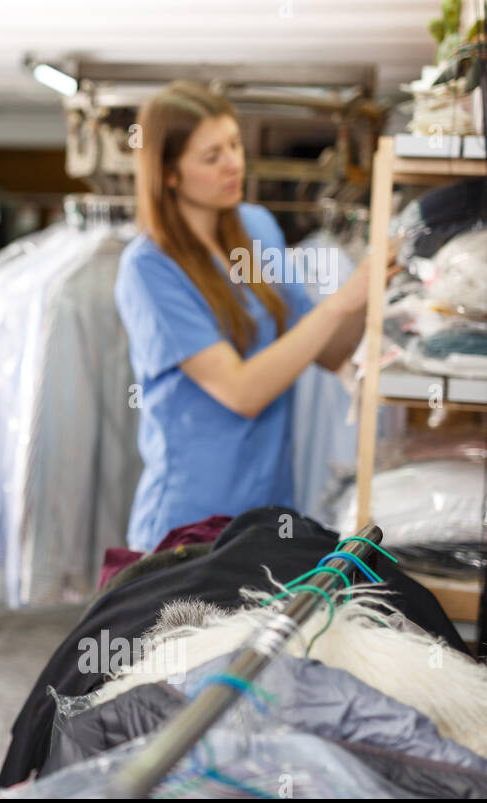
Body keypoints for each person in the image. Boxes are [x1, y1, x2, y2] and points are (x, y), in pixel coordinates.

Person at [115, 81, 397, 552]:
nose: (234, 163)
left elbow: (326, 349)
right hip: (188, 524)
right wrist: (343, 300)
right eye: (212, 156)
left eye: (234, 145)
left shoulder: (257, 227)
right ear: (169, 174)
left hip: (266, 511)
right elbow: (242, 391)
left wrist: (375, 287)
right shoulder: (148, 268)